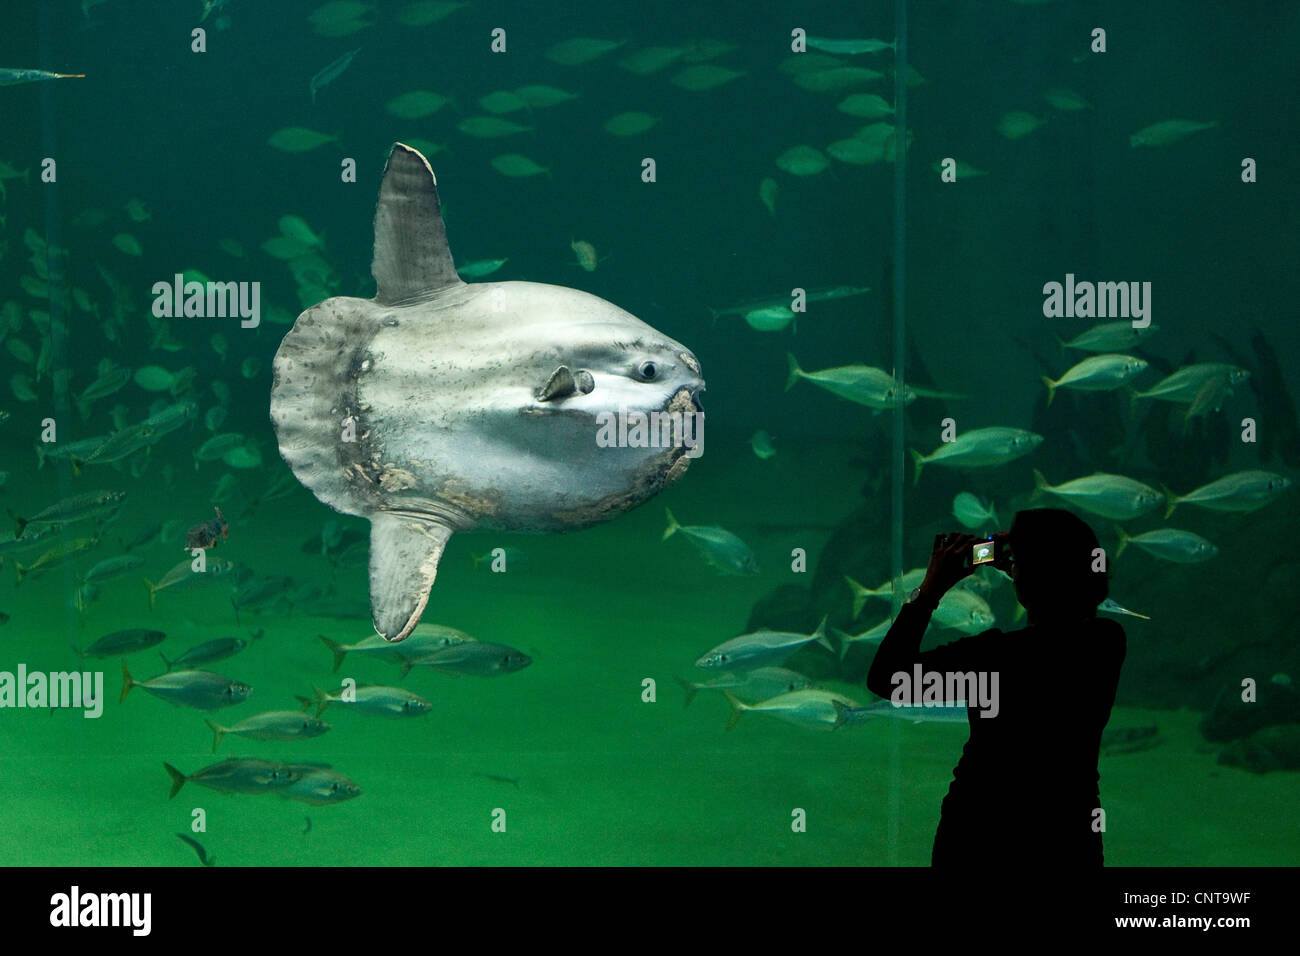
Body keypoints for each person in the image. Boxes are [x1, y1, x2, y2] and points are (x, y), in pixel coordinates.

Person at [866, 508, 1126, 866]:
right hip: (1068, 836)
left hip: (978, 836)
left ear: (1024, 577)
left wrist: (931, 590)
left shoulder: (992, 657)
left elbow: (887, 678)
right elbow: (1072, 609)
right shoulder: (1107, 643)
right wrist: (1028, 566)